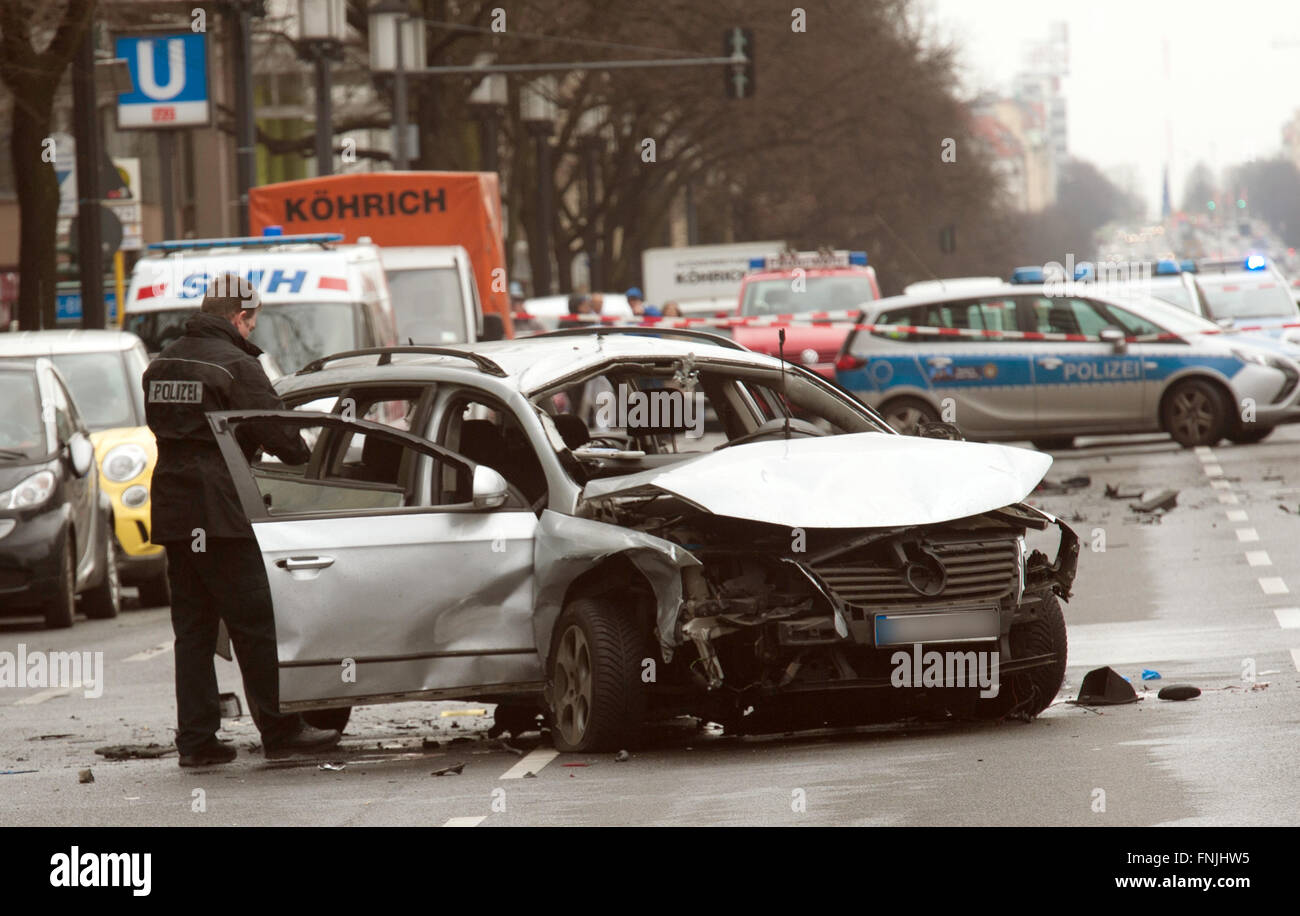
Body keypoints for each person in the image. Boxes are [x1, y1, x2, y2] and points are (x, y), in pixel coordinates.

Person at [143, 274, 342, 767]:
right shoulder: (235, 365)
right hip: (219, 510)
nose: (252, 332)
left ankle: (197, 742)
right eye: (252, 322)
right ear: (240, 317)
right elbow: (285, 440)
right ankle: (280, 729)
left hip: (173, 506)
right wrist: (303, 448)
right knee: (254, 621)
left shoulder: (161, 363)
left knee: (192, 631)